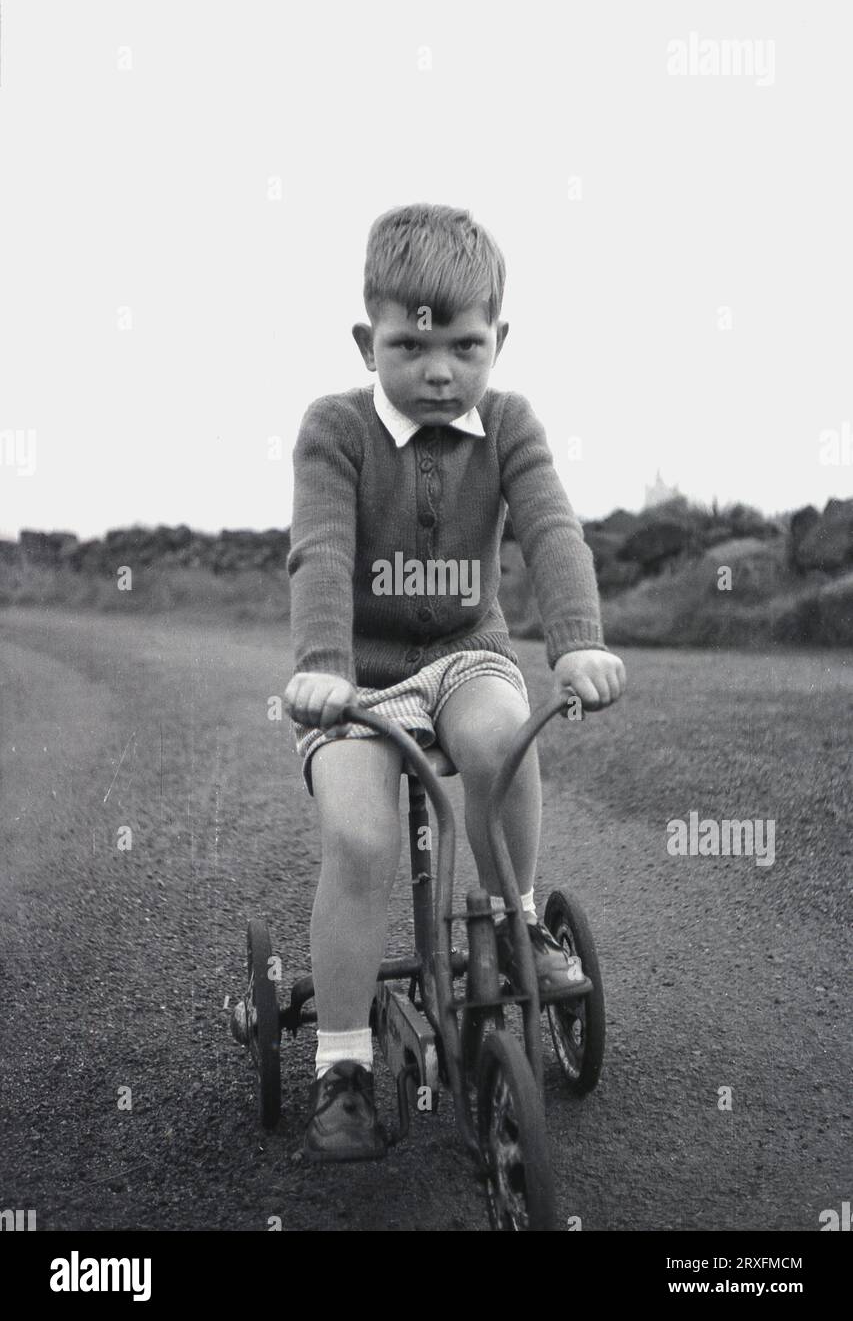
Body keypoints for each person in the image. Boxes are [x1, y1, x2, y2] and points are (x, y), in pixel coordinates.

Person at [284, 203, 626, 1161]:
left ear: (497, 340)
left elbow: (552, 530)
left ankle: (518, 920)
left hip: (465, 652)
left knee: (500, 741)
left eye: (467, 347)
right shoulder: (336, 430)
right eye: (411, 345)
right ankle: (344, 1063)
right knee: (357, 836)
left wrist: (576, 643)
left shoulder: (510, 423)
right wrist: (320, 672)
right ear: (368, 341)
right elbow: (319, 551)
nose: (440, 371)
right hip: (356, 678)